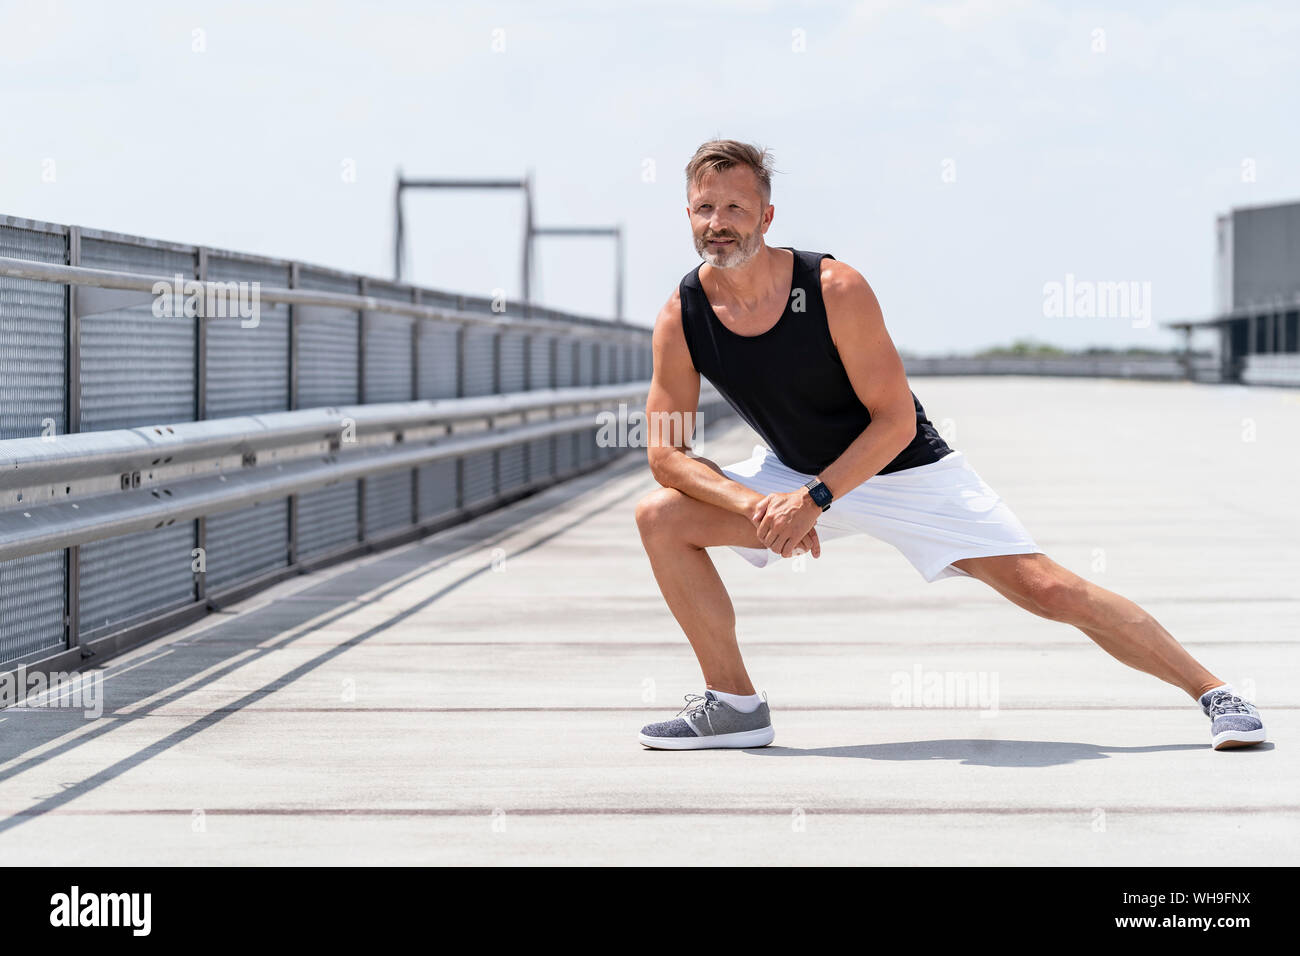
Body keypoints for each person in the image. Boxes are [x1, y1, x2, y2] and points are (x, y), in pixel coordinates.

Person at [633, 139, 1266, 753]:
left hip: (901, 469)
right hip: (793, 475)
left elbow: (895, 421)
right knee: (659, 516)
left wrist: (817, 498)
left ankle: (1216, 694)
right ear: (687, 215)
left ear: (766, 216)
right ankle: (734, 706)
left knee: (1048, 590)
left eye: (735, 209)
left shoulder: (832, 288)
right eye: (704, 209)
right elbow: (667, 453)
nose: (718, 224)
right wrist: (757, 505)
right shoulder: (681, 316)